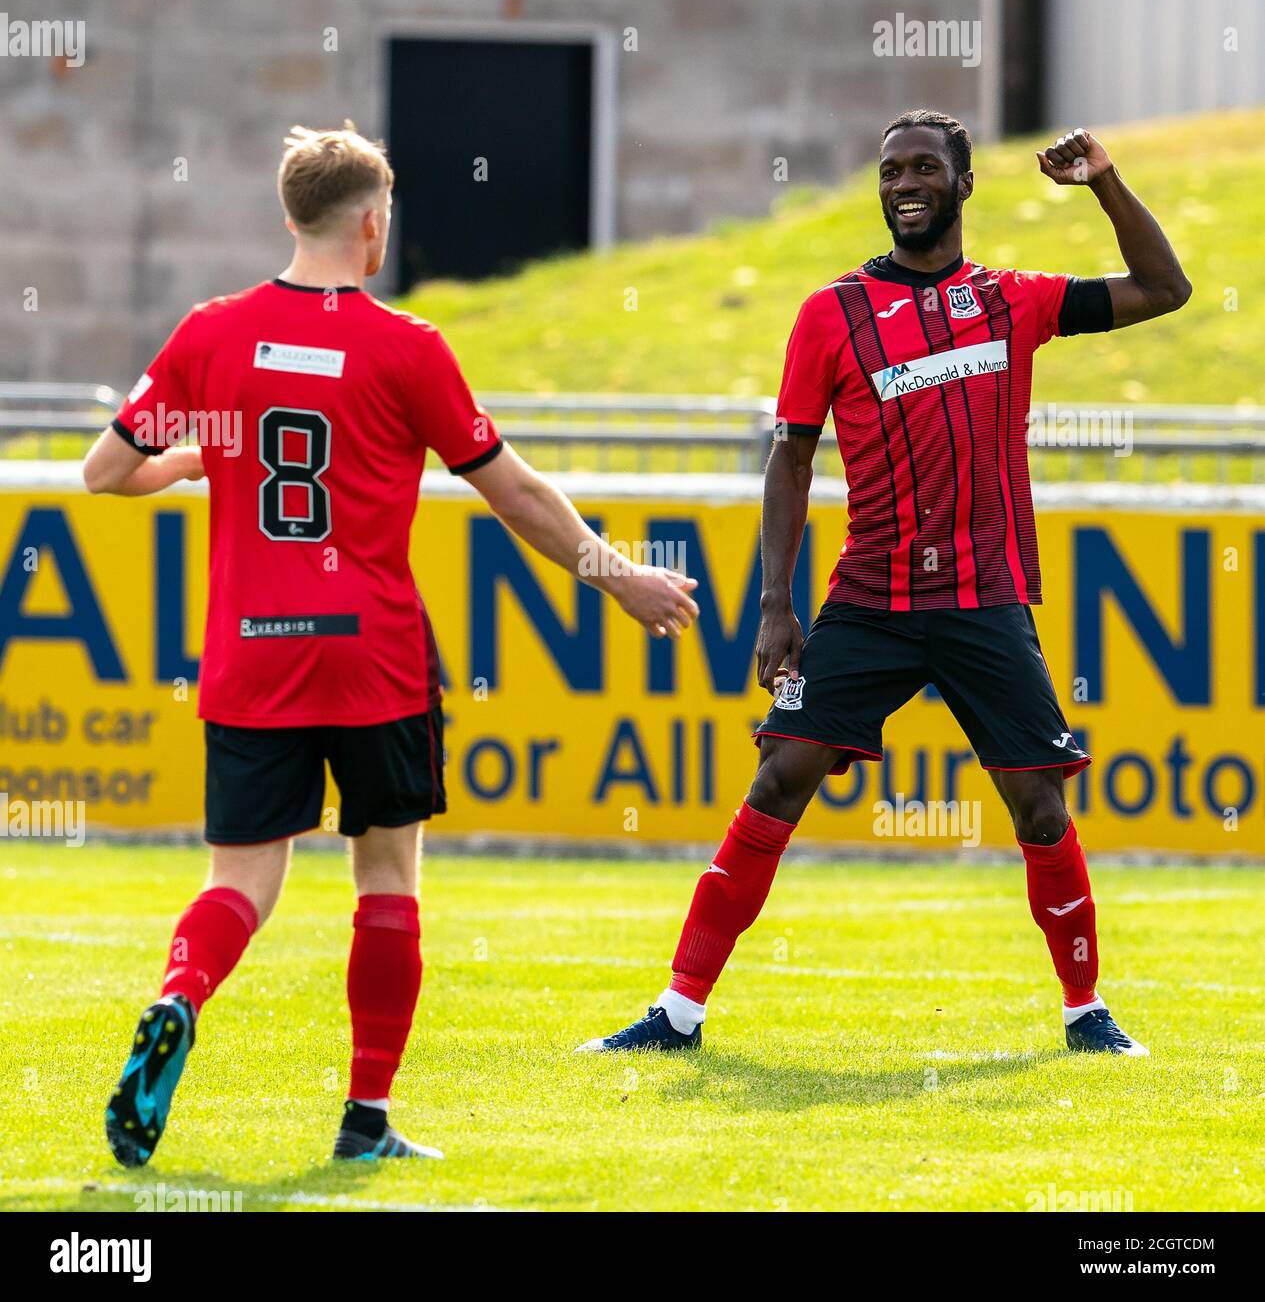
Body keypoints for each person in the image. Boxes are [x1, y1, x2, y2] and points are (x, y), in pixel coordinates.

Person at [85, 122, 698, 1165]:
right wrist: (620, 576)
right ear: (372, 224)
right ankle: (363, 1121)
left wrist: (192, 462)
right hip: (368, 653)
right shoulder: (407, 346)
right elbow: (515, 493)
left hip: (250, 652)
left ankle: (180, 999)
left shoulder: (211, 332)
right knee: (387, 876)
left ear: (289, 216)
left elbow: (103, 472)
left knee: (240, 881)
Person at [579, 110, 1189, 1059]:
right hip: (868, 598)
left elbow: (1163, 287)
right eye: (888, 169)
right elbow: (789, 458)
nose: (903, 183)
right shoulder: (832, 311)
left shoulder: (1011, 300)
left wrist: (1104, 180)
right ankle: (677, 1012)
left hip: (984, 598)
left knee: (1038, 802)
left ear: (962, 183)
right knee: (780, 776)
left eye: (922, 168)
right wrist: (777, 606)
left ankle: (1085, 1013)